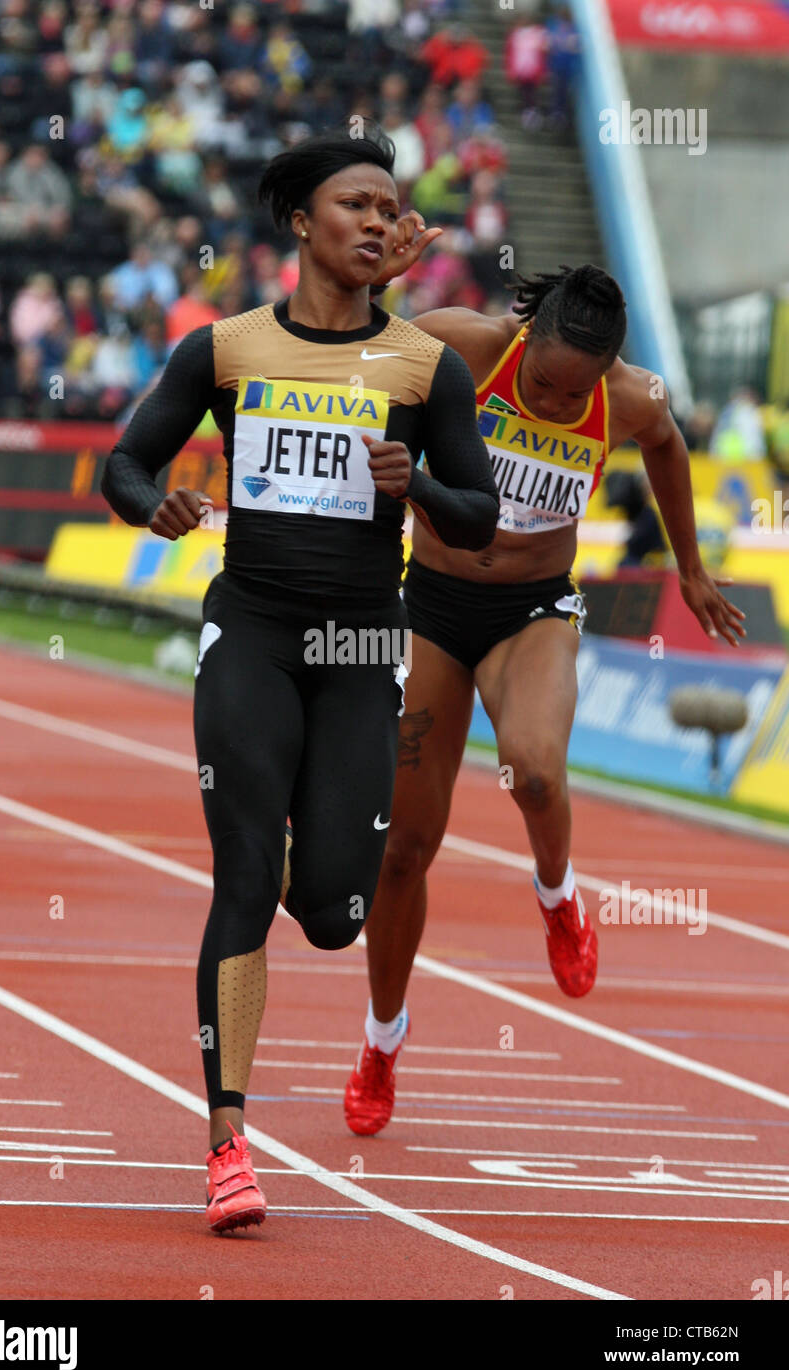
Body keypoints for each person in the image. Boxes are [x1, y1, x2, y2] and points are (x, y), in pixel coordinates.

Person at [100, 127, 499, 1232]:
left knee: (331, 912)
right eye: (353, 204)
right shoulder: (222, 351)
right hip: (256, 632)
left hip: (365, 644)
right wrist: (155, 505)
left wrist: (413, 480)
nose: (375, 219)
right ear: (299, 222)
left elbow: (481, 515)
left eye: (389, 206)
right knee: (240, 872)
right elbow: (123, 463)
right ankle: (228, 1142)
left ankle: (303, 853)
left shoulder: (424, 367)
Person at [343, 257, 747, 1137]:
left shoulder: (630, 400)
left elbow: (669, 448)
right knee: (404, 847)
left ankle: (558, 897)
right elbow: (353, 345)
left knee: (532, 769)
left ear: (605, 375)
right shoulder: (465, 344)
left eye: (576, 391)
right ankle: (381, 1040)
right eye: (545, 383)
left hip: (533, 605)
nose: (559, 401)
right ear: (523, 341)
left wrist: (688, 568)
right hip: (433, 603)